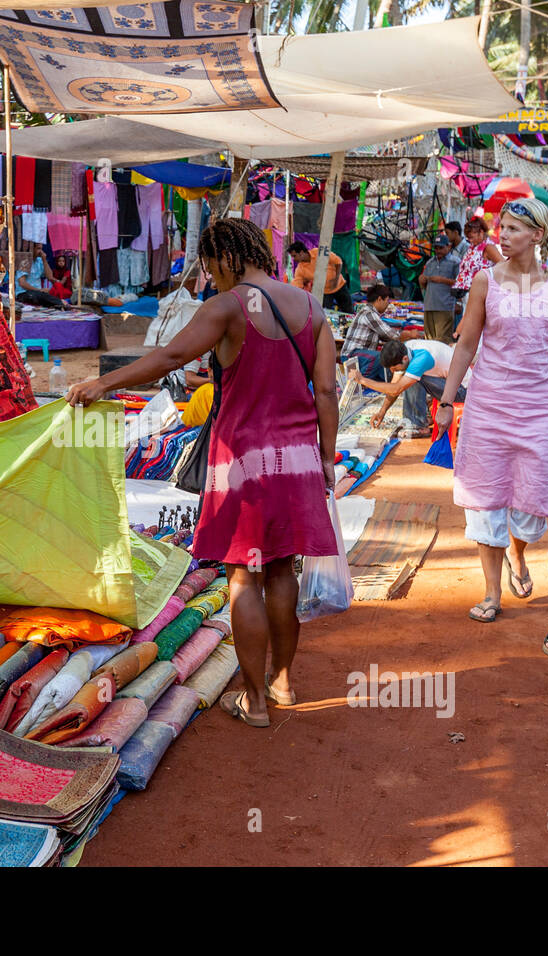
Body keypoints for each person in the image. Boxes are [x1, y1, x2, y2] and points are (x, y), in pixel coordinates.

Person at [65, 218, 339, 728]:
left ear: (225, 258)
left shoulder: (228, 307)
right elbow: (326, 392)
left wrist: (105, 385)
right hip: (297, 459)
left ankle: (254, 702)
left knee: (242, 576)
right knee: (282, 570)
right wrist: (327, 456)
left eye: (211, 267)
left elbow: (170, 355)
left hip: (242, 463)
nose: (211, 278)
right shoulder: (311, 307)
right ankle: (283, 682)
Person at [433, 198, 548, 623]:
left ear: (537, 235)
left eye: (512, 229)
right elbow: (467, 343)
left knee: (530, 503)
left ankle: (519, 551)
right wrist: (447, 399)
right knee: (485, 496)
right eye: (501, 229)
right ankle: (492, 592)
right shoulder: (485, 281)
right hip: (488, 405)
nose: (502, 237)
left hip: (538, 409)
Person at [354, 337, 470, 439]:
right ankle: (422, 417)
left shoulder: (421, 358)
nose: (392, 371)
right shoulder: (406, 348)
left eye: (394, 367)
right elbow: (394, 388)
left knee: (412, 378)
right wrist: (382, 412)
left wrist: (363, 380)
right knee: (409, 377)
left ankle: (417, 425)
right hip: (448, 383)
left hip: (462, 390)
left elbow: (396, 389)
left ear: (404, 359)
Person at [339, 282, 416, 381]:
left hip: (362, 355)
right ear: (379, 299)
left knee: (386, 369)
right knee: (379, 357)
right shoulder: (368, 314)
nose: (388, 305)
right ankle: (360, 383)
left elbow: (386, 336)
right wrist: (408, 334)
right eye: (387, 301)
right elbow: (391, 335)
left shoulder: (371, 314)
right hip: (351, 355)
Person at [418, 235, 461, 343]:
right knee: (429, 340)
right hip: (429, 305)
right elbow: (425, 285)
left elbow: (461, 284)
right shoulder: (430, 262)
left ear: (448, 247)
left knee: (443, 340)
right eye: (436, 248)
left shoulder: (455, 262)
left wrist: (442, 280)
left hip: (445, 306)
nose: (438, 250)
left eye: (441, 248)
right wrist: (422, 281)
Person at [289, 240, 352, 312]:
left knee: (349, 312)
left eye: (294, 256)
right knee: (325, 315)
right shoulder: (300, 269)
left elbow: (338, 262)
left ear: (301, 253)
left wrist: (336, 279)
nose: (293, 259)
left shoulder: (319, 252)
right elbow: (297, 286)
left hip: (340, 286)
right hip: (324, 292)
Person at [453, 216, 505, 296]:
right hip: (468, 293)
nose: (470, 240)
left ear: (481, 232)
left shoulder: (488, 248)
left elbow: (503, 266)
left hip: (481, 293)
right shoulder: (473, 247)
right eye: (468, 238)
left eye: (471, 237)